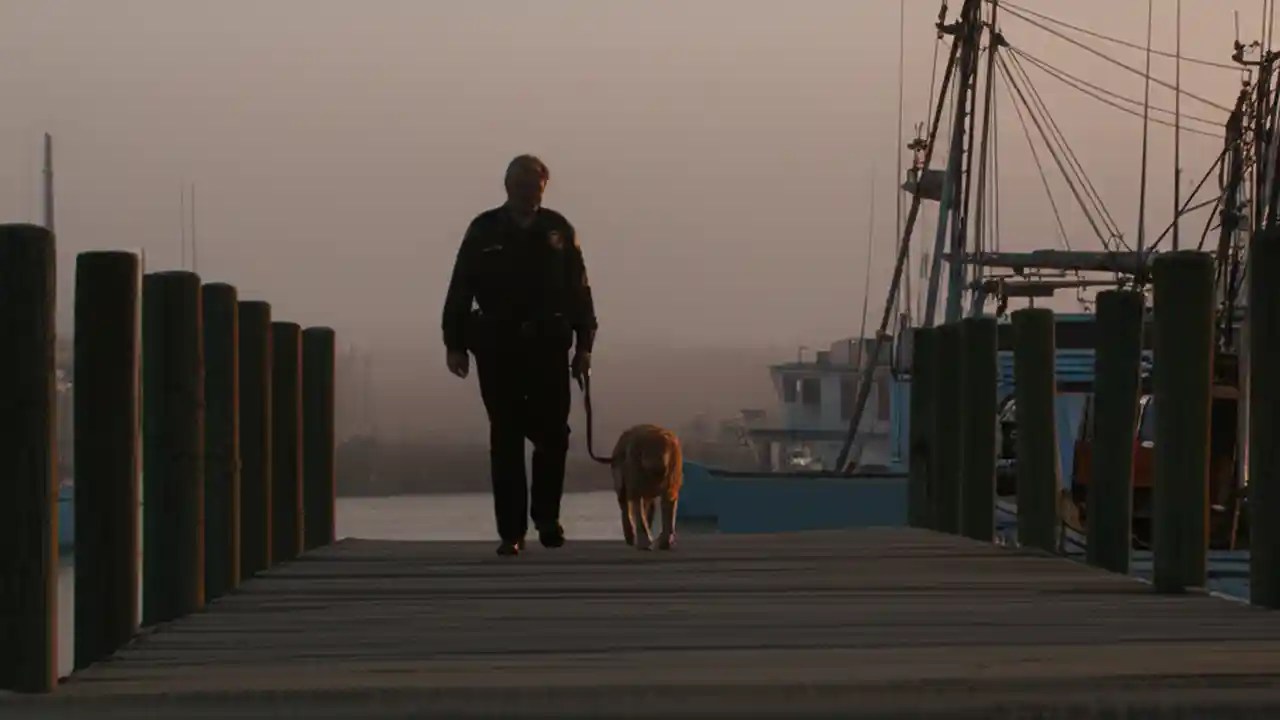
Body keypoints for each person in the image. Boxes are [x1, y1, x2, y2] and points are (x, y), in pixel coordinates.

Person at [441, 155, 597, 556]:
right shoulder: (484, 229)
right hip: (498, 348)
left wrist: (585, 346)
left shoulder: (558, 231)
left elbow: (580, 292)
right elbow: (461, 287)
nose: (529, 193)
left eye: (535, 186)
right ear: (508, 186)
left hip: (548, 346)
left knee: (553, 435)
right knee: (506, 437)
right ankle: (511, 532)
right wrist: (454, 343)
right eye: (522, 185)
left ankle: (546, 519)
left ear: (544, 188)